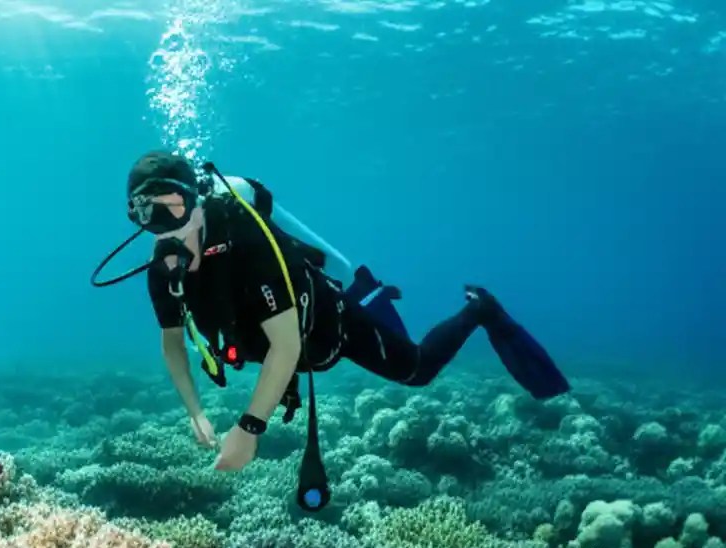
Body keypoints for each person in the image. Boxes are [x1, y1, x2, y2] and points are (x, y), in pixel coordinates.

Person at [90, 150, 569, 511]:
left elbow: (288, 344)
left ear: (196, 201)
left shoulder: (248, 243)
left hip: (327, 329)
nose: (164, 229)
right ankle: (379, 295)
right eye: (145, 215)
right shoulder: (161, 269)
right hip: (274, 347)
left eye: (172, 209)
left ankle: (479, 309)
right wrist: (194, 411)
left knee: (417, 371)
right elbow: (172, 344)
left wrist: (249, 427)